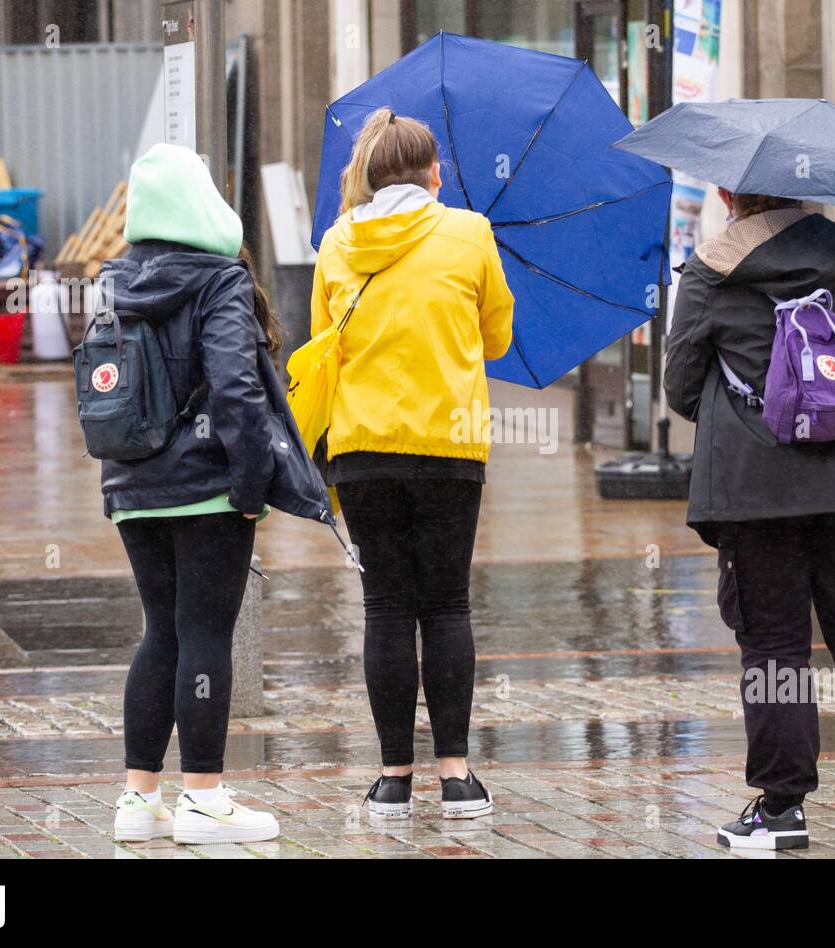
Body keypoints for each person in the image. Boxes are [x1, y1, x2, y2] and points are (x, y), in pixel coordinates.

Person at [664, 190, 835, 851]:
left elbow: (679, 386)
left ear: (730, 195)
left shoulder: (712, 269)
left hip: (757, 493)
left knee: (775, 649)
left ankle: (782, 809)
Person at [310, 108, 514, 819]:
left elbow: (321, 347)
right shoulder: (469, 233)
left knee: (387, 607)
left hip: (361, 448)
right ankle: (456, 776)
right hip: (447, 444)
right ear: (434, 173)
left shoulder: (337, 243)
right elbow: (495, 337)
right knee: (447, 602)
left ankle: (393, 778)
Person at [102, 143, 295, 845]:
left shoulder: (112, 281)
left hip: (130, 483)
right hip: (206, 485)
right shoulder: (219, 280)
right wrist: (251, 484)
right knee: (206, 634)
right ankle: (205, 799)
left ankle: (138, 800)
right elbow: (236, 388)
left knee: (162, 632)